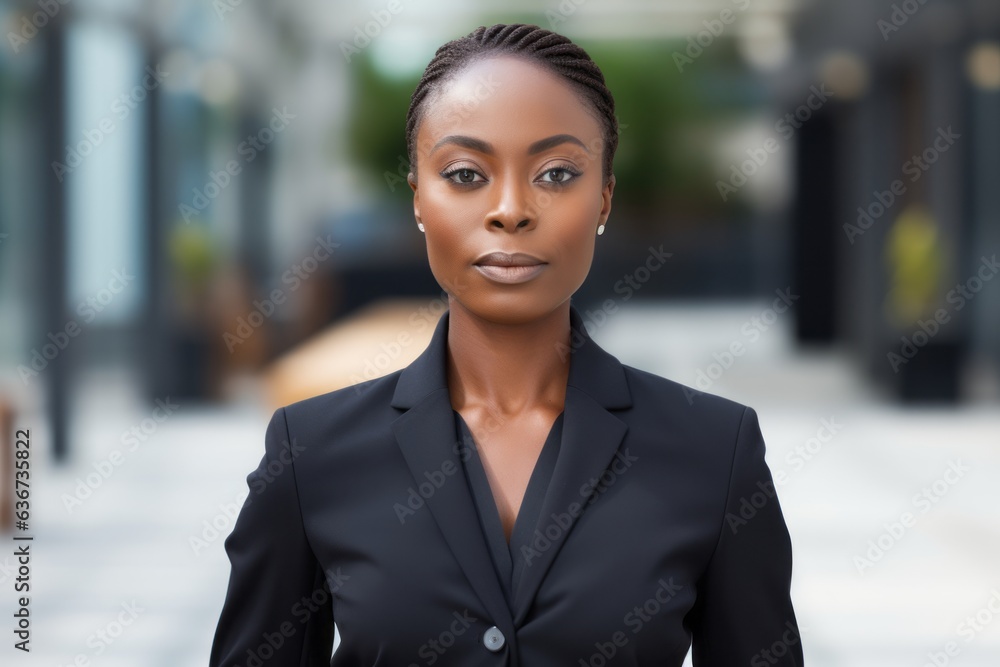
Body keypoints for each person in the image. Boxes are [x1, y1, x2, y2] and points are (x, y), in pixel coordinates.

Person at [209, 23, 804, 666]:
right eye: (466, 174)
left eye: (555, 174)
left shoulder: (714, 453)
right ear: (418, 198)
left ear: (603, 198)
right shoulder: (312, 455)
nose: (511, 209)